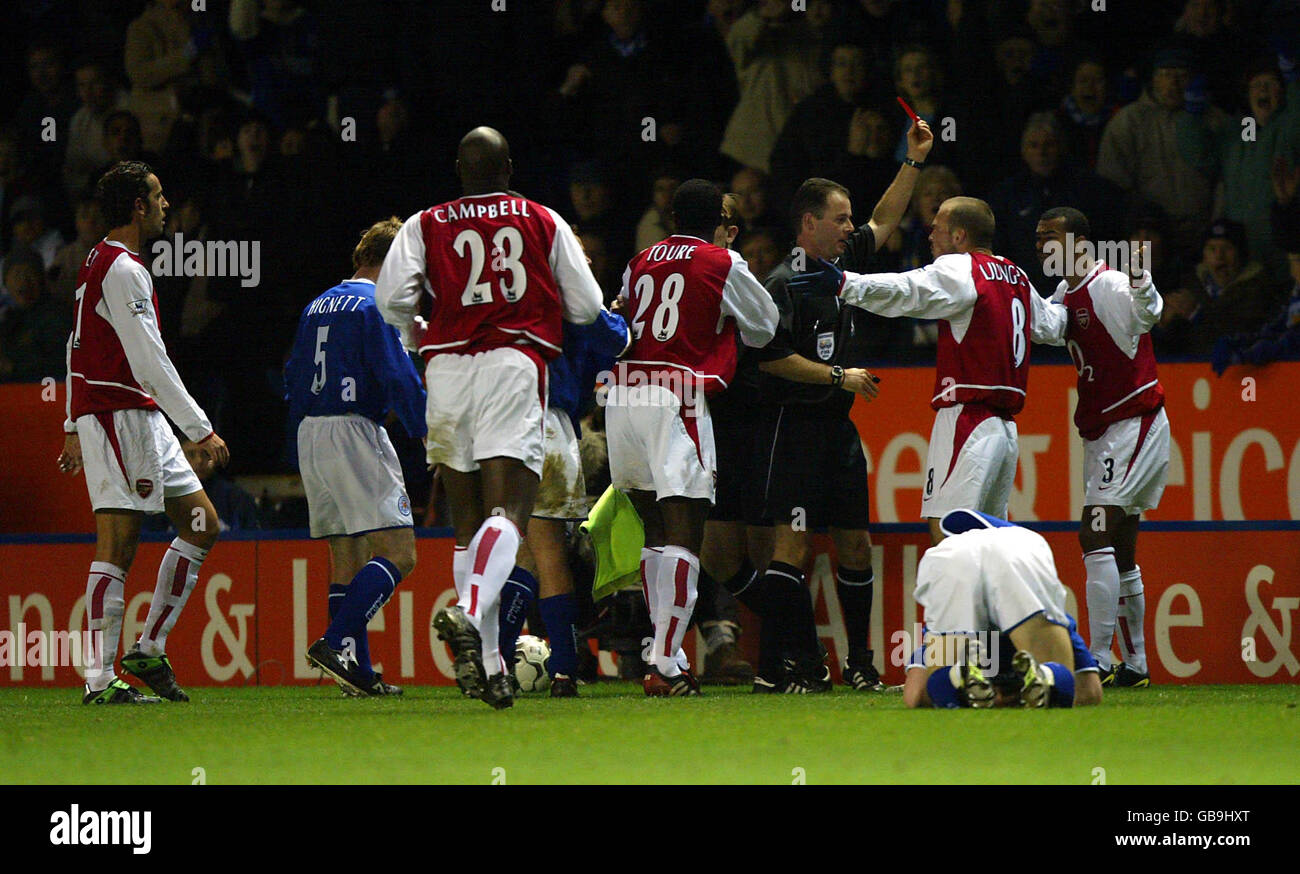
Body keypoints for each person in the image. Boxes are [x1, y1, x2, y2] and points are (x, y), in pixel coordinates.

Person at [376, 126, 603, 709]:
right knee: (512, 512)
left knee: (466, 526)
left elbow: (390, 300)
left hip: (447, 371)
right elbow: (587, 307)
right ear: (509, 168)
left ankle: (492, 664)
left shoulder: (424, 223)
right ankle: (471, 612)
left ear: (459, 168)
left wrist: (426, 328)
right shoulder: (542, 219)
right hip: (512, 362)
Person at [745, 116, 933, 695]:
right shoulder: (780, 286)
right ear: (810, 223)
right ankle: (789, 664)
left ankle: (861, 663)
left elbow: (885, 218)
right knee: (793, 546)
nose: (852, 227)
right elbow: (770, 359)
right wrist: (838, 375)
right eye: (840, 218)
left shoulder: (841, 264)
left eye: (849, 218)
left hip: (837, 434)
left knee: (855, 544)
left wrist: (914, 160)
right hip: (794, 430)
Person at [796, 196, 1067, 544]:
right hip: (1005, 431)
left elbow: (907, 291)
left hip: (967, 419)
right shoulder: (1015, 275)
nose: (929, 235)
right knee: (990, 544)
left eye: (936, 228)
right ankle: (998, 599)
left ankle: (970, 597)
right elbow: (1055, 328)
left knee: (948, 533)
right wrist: (1069, 290)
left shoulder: (959, 268)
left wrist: (845, 284)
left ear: (958, 236)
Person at [57, 161, 230, 705]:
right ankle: (98, 679)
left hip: (142, 416)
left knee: (203, 524)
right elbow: (149, 361)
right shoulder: (121, 269)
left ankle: (149, 649)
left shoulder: (101, 263)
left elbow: (73, 346)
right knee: (118, 544)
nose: (165, 204)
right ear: (137, 205)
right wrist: (200, 429)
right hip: (117, 415)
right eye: (157, 197)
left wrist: (67, 421)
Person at [606, 178, 778, 696]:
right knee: (685, 531)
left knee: (654, 532)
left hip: (622, 397)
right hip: (676, 396)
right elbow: (765, 326)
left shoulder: (639, 261)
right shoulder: (723, 262)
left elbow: (619, 320)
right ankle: (663, 661)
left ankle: (669, 656)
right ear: (716, 221)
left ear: (675, 218)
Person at [285, 217, 426, 697]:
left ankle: (355, 672)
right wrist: (427, 432)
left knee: (344, 551)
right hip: (353, 429)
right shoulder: (375, 305)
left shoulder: (315, 305)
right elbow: (398, 378)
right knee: (399, 553)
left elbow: (291, 375)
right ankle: (335, 641)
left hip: (311, 432)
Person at [1034, 207, 1167, 687]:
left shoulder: (1107, 284)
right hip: (1105, 427)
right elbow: (1047, 327)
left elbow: (1146, 315)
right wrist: (1010, 289)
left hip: (1133, 420)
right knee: (1121, 548)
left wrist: (1141, 279)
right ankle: (1137, 665)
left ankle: (1100, 658)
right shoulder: (1065, 292)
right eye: (1038, 237)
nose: (1041, 244)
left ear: (1079, 242)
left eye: (1050, 236)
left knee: (1094, 533)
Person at [497, 230, 631, 699]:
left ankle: (497, 660)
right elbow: (615, 341)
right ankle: (564, 671)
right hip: (550, 424)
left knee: (520, 553)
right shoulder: (574, 296)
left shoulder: (505, 294)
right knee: (550, 554)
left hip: (500, 424)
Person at [901, 509, 1104, 709]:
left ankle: (955, 678)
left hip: (949, 556)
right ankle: (1047, 676)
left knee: (938, 678)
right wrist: (1018, 694)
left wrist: (988, 695)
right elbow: (1090, 689)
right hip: (1019, 551)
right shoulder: (1014, 543)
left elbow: (914, 695)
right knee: (1060, 679)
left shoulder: (956, 547)